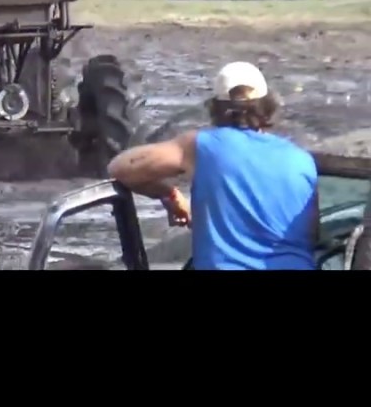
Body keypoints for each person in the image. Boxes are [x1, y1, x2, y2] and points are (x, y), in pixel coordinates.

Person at [107, 61, 319, 270]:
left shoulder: (204, 146)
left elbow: (121, 167)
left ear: (215, 108)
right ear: (268, 107)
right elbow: (313, 235)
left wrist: (168, 193)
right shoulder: (303, 161)